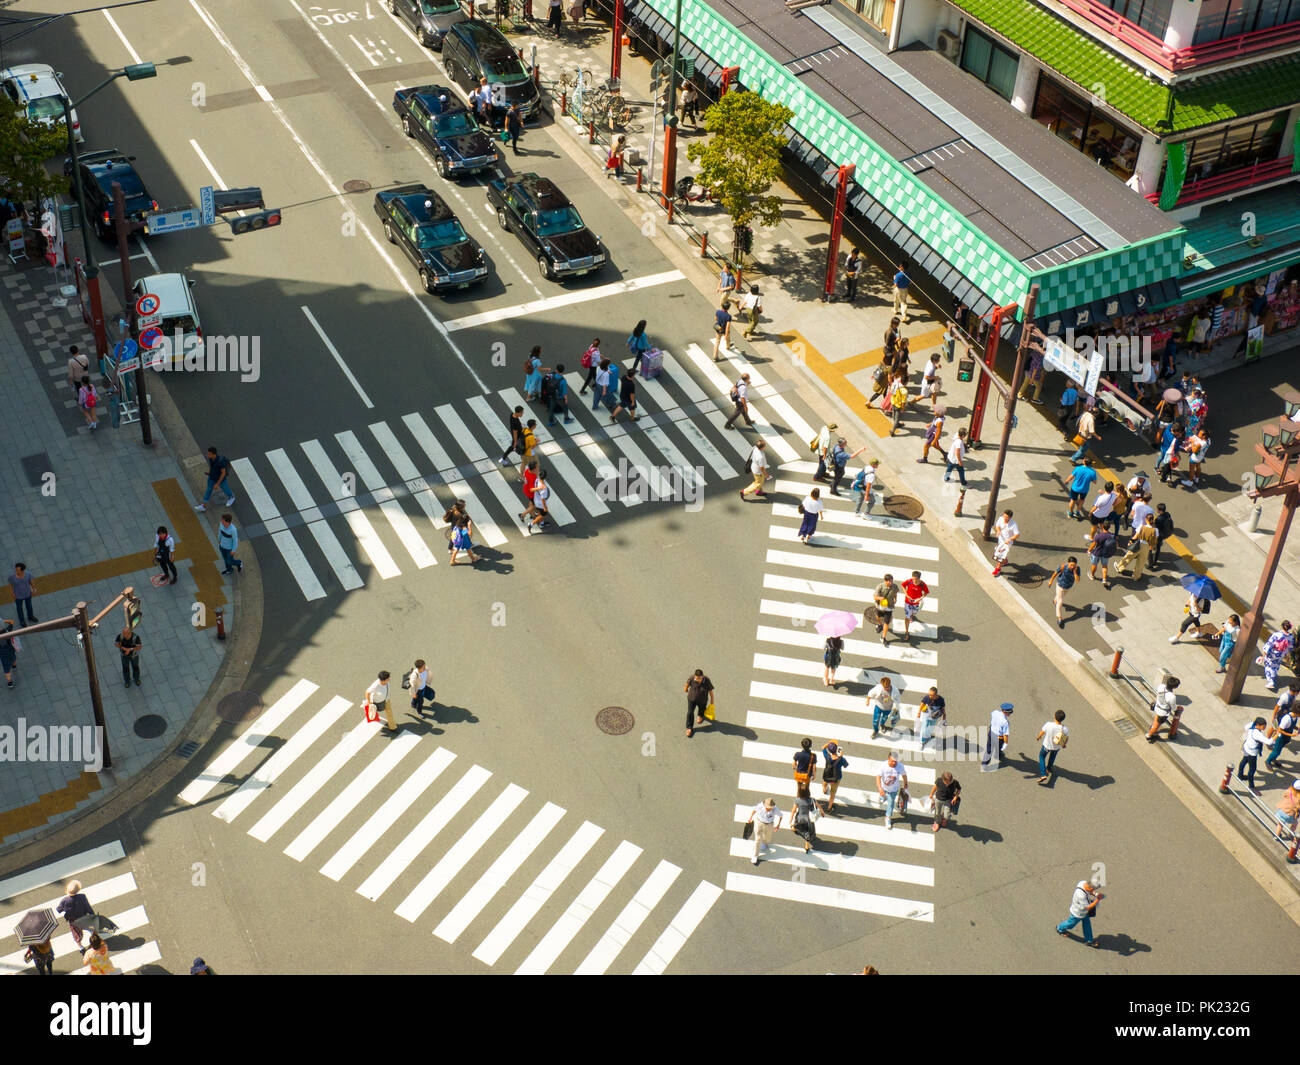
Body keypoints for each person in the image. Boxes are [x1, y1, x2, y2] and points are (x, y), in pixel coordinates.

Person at [1056, 877, 1103, 947]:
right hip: (1077, 913)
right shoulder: (1081, 895)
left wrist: (1095, 894)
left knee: (1087, 924)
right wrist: (1097, 900)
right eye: (1093, 889)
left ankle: (1089, 940)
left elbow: (1090, 891)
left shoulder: (1083, 883)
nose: (1093, 891)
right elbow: (1088, 907)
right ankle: (1060, 928)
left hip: (1084, 912)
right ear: (1090, 887)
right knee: (1070, 924)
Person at [1115, 513, 1157, 581]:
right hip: (1147, 546)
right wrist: (1150, 549)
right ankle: (1136, 576)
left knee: (1129, 556)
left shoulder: (1142, 527)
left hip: (1138, 544)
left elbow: (1135, 536)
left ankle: (1120, 567)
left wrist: (1130, 541)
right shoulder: (1155, 530)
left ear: (1146, 520)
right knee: (1141, 562)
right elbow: (1154, 541)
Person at [57, 881, 94, 950]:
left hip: (73, 920)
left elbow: (58, 910)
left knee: (76, 933)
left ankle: (80, 945)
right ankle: (92, 933)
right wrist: (92, 914)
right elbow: (87, 907)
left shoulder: (65, 900)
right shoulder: (82, 897)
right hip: (83, 916)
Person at [1239, 716, 1270, 795]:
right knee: (1252, 769)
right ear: (1258, 725)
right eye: (1263, 726)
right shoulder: (1257, 734)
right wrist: (1276, 735)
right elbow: (1269, 742)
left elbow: (1245, 727)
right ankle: (1251, 786)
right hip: (1252, 753)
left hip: (1246, 747)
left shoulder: (1251, 725)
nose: (1264, 727)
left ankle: (1240, 775)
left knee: (1244, 761)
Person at [1036, 710, 1069, 783]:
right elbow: (1066, 737)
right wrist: (1064, 744)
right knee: (1052, 757)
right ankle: (1048, 768)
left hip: (1047, 746)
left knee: (1041, 757)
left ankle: (1043, 774)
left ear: (1054, 716)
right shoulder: (1064, 728)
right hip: (1056, 747)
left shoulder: (1049, 724)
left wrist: (1038, 737)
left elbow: (1042, 732)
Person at [1047, 556, 1080, 629]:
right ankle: (1059, 618)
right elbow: (1055, 573)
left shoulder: (1077, 569)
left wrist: (1074, 572)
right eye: (1071, 565)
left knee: (1059, 598)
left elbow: (1077, 580)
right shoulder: (1063, 567)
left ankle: (1055, 600)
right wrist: (1051, 581)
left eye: (1074, 565)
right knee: (1060, 601)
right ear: (1068, 563)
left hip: (1068, 587)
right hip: (1060, 586)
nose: (1072, 566)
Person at [877, 751, 907, 830]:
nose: (894, 763)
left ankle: (888, 817)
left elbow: (904, 775)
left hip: (893, 790)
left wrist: (906, 783)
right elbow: (878, 777)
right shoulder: (883, 765)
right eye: (892, 761)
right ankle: (882, 797)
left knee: (890, 804)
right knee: (882, 795)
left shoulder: (900, 766)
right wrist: (880, 789)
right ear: (888, 759)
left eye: (895, 761)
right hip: (884, 787)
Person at [1261, 622, 1295, 691]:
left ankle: (1270, 681)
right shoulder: (1291, 637)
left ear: (1282, 626)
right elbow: (1290, 647)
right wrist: (1286, 654)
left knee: (1268, 666)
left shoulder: (1277, 635)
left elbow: (1269, 644)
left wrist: (1264, 653)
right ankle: (1273, 677)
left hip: (1273, 653)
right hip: (1281, 654)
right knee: (1275, 666)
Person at [1145, 676, 1181, 742]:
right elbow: (1173, 707)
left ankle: (1153, 729)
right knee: (1156, 725)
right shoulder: (1172, 696)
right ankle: (1149, 735)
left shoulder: (1161, 687)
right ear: (1174, 687)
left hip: (1157, 707)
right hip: (1163, 712)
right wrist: (1176, 710)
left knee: (1156, 720)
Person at [789, 783, 822, 853]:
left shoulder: (797, 800)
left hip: (800, 818)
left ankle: (794, 829)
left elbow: (793, 810)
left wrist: (791, 819)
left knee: (798, 828)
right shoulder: (811, 800)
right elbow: (818, 806)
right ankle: (807, 846)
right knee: (808, 832)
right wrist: (822, 812)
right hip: (809, 819)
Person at [746, 798, 780, 864]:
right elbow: (754, 810)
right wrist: (750, 818)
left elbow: (781, 816)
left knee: (767, 837)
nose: (769, 809)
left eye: (770, 808)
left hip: (769, 824)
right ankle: (755, 855)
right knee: (758, 839)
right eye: (768, 807)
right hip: (759, 823)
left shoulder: (775, 809)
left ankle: (765, 843)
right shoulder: (760, 806)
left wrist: (778, 825)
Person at [982, 702, 1012, 770]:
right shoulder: (1005, 722)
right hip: (999, 737)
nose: (1010, 713)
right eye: (1009, 712)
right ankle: (996, 755)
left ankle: (985, 763)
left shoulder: (995, 712)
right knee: (998, 746)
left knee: (989, 748)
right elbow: (1005, 734)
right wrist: (1006, 743)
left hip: (991, 732)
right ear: (1004, 711)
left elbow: (992, 714)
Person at [684, 669, 713, 738]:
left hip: (702, 700)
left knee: (702, 709)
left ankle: (700, 715)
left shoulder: (707, 680)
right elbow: (687, 683)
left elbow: (711, 691)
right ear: (695, 676)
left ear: (702, 676)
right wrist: (686, 688)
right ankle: (689, 727)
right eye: (696, 678)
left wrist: (712, 701)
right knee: (690, 712)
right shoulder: (692, 678)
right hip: (692, 699)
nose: (698, 680)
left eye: (699, 678)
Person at [1085, 524, 1116, 589]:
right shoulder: (1111, 535)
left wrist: (1089, 550)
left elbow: (1093, 544)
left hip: (1097, 552)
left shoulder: (1099, 536)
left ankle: (1092, 576)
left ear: (1102, 527)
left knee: (1094, 564)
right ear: (1109, 527)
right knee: (1104, 566)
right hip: (1106, 553)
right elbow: (1116, 544)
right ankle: (1104, 579)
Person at [1265, 706, 1296, 770]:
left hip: (1286, 737)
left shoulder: (1294, 717)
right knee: (1277, 751)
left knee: (1278, 750)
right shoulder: (1287, 719)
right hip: (1281, 737)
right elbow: (1279, 730)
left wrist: (1297, 728)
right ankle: (1268, 761)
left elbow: (1292, 725)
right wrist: (1291, 734)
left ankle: (1273, 758)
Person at [901, 570, 929, 640]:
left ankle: (912, 616)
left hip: (916, 603)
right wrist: (906, 595)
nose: (914, 581)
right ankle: (907, 632)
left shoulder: (922, 584)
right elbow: (903, 585)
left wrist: (920, 599)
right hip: (908, 602)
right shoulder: (909, 581)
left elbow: (926, 592)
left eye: (916, 580)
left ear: (919, 579)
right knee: (907, 617)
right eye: (913, 579)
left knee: (914, 613)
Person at [991, 509, 1019, 578]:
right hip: (1000, 540)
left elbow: (1017, 534)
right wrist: (998, 531)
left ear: (1010, 517)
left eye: (1006, 517)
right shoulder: (1000, 519)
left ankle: (998, 570)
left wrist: (1010, 539)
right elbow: (997, 526)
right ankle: (1005, 561)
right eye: (1004, 516)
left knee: (1000, 556)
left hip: (1007, 543)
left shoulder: (1013, 524)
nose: (1004, 518)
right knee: (1002, 554)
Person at [821, 741, 848, 811]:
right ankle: (829, 808)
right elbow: (846, 765)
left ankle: (824, 789)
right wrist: (841, 756)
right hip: (836, 778)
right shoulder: (841, 759)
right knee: (832, 793)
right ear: (837, 750)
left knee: (825, 782)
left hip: (827, 775)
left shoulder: (827, 756)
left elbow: (823, 748)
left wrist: (829, 743)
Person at [872, 574, 898, 645]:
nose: (891, 583)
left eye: (891, 581)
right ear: (885, 581)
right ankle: (879, 624)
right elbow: (875, 597)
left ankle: (883, 637)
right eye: (889, 581)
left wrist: (895, 599)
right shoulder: (880, 586)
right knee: (878, 616)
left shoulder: (895, 587)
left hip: (889, 607)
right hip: (880, 606)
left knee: (887, 622)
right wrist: (879, 598)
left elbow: (895, 593)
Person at [1151, 502, 1174, 570]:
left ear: (1160, 510)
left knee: (1157, 548)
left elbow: (1156, 529)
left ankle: (1154, 562)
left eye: (1157, 509)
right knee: (1158, 545)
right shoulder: (1167, 514)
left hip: (1160, 535)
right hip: (1166, 533)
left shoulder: (1158, 519)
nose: (1156, 510)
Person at [0, 619, 15, 688]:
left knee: (6, 667)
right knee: (13, 657)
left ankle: (10, 682)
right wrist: (4, 621)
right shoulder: (8, 630)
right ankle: (14, 665)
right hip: (10, 648)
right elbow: (12, 621)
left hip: (2, 653)